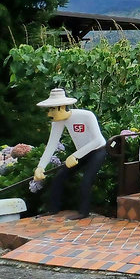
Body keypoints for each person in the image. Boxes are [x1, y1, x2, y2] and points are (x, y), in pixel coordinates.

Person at [32, 88, 108, 220]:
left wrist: (75, 155)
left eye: (52, 109)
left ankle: (83, 212)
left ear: (62, 107)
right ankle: (53, 209)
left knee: (86, 180)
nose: (50, 114)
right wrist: (40, 167)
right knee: (59, 177)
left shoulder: (86, 115)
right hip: (81, 153)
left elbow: (97, 140)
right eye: (49, 109)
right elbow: (52, 144)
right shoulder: (58, 121)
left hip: (98, 150)